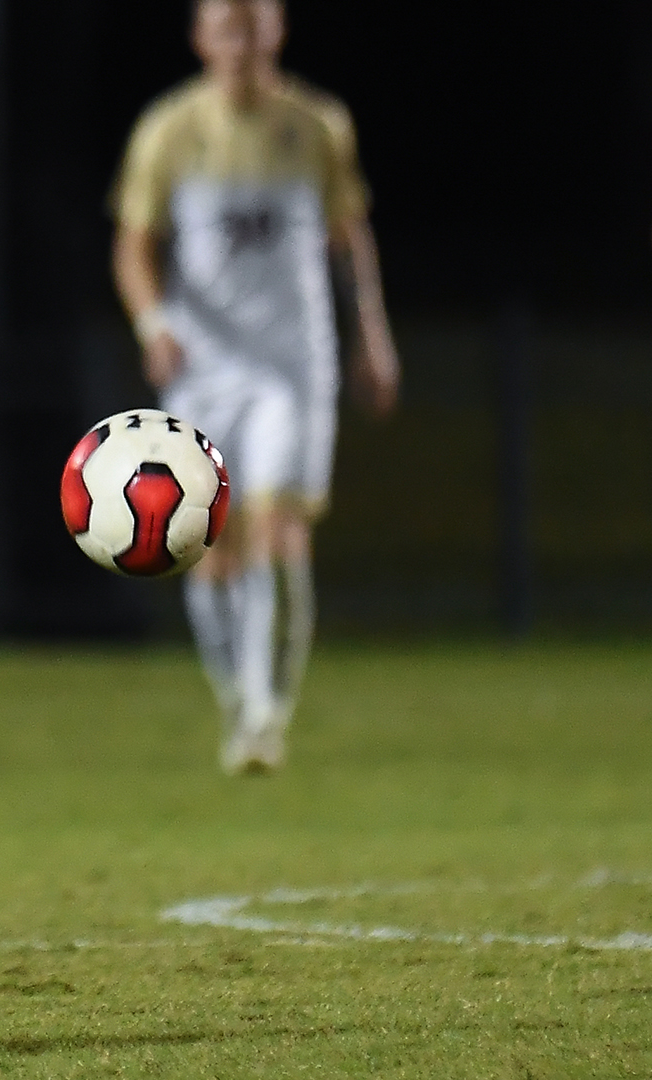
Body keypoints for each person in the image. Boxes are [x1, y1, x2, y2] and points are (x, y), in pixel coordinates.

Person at [111, 0, 399, 774]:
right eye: (225, 28)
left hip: (293, 365)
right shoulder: (169, 130)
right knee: (209, 546)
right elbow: (133, 247)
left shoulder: (317, 126)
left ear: (277, 33)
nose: (240, 44)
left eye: (253, 26)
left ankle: (268, 712)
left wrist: (372, 334)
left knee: (277, 527)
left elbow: (350, 235)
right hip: (204, 369)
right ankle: (239, 699)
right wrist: (154, 325)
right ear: (200, 38)